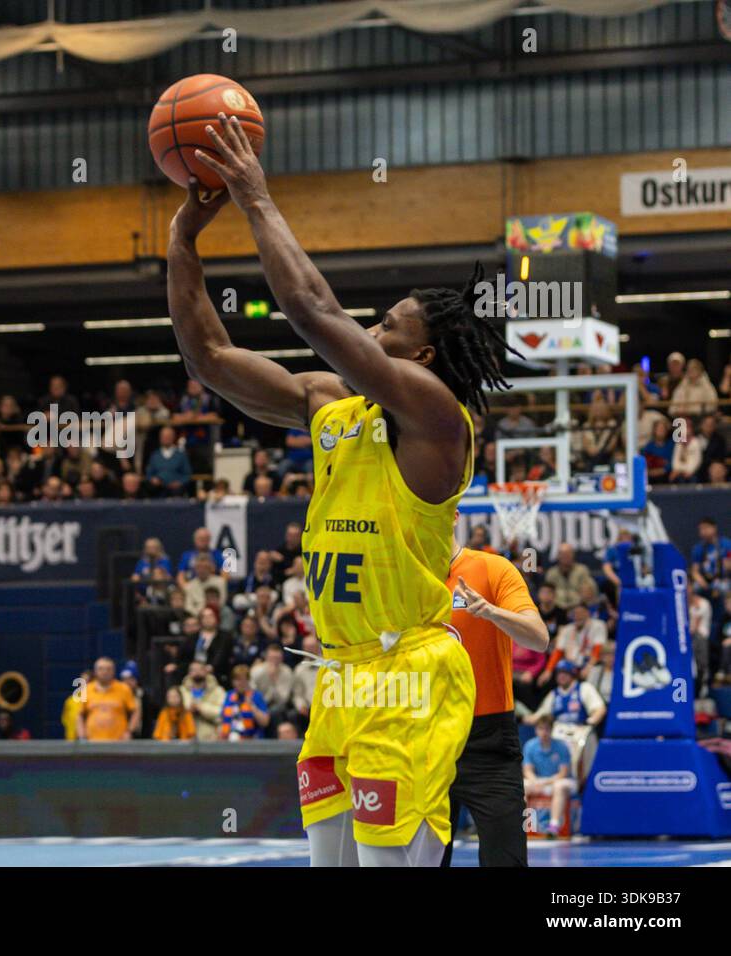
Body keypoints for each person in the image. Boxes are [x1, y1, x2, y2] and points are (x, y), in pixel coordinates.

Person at [170, 117, 511, 865]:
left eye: (387, 326)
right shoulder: (331, 407)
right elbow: (210, 356)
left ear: (422, 354)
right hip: (341, 673)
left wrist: (256, 195)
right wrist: (182, 242)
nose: (370, 328)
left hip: (409, 674)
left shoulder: (435, 416)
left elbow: (312, 312)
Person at [441, 527, 549, 867]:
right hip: (423, 735)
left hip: (487, 735)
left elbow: (539, 638)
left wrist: (491, 612)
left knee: (506, 858)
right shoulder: (404, 576)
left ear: (453, 513)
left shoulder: (493, 568)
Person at [522, 714, 577, 838]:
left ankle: (554, 826)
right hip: (538, 781)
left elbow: (563, 773)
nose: (544, 732)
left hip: (560, 781)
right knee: (522, 785)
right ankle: (525, 825)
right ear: (536, 730)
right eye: (541, 729)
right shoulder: (530, 746)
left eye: (547, 729)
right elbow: (527, 771)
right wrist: (535, 781)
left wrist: (546, 782)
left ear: (551, 730)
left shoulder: (562, 746)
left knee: (560, 786)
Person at [76, 657, 138, 742]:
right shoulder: (86, 690)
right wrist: (82, 735)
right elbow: (80, 715)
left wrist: (129, 732)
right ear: (95, 671)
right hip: (92, 742)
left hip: (118, 742)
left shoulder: (124, 689)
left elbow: (135, 712)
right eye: (101, 669)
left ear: (113, 671)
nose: (105, 672)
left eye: (108, 669)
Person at [218, 664, 270, 740]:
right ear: (233, 681)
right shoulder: (229, 695)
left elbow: (265, 722)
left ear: (248, 681)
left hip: (250, 740)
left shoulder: (257, 696)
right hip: (229, 739)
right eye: (238, 680)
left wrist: (252, 706)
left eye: (244, 679)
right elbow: (222, 718)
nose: (241, 683)